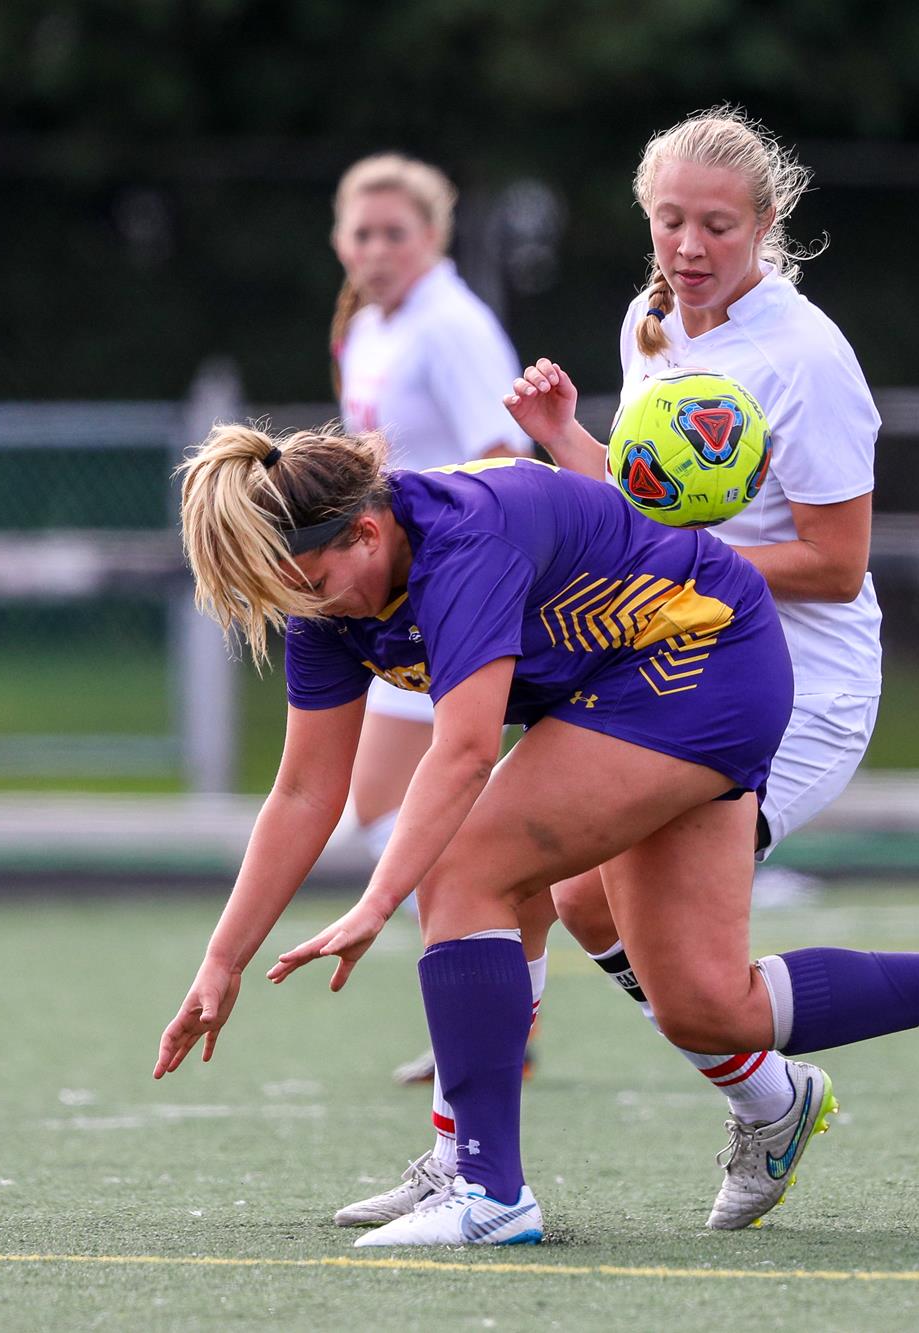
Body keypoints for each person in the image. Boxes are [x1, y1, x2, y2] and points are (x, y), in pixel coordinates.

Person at [154, 426, 919, 1249]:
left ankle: (484, 1185)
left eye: (313, 585)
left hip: (708, 658)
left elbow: (467, 749)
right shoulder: (331, 590)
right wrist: (222, 959)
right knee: (707, 1005)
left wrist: (375, 902)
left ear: (366, 530)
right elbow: (304, 790)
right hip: (633, 683)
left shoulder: (460, 539)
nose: (308, 611)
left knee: (467, 869)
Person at [346, 106, 891, 1233]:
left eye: (717, 227)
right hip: (668, 655)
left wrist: (687, 565)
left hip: (794, 683)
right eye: (668, 221)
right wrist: (566, 440)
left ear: (767, 224)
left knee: (655, 958)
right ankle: (485, 1152)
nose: (688, 249)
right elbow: (649, 511)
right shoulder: (651, 324)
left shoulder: (806, 359)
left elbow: (835, 568)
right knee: (540, 888)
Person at [324, 153, 551, 1097]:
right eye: (360, 233)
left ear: (434, 237)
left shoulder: (452, 324)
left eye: (395, 233)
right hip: (399, 594)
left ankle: (496, 999)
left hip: (454, 592)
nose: (375, 250)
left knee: (429, 818)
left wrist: (465, 574)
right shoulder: (369, 323)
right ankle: (495, 998)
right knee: (392, 812)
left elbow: (508, 452)